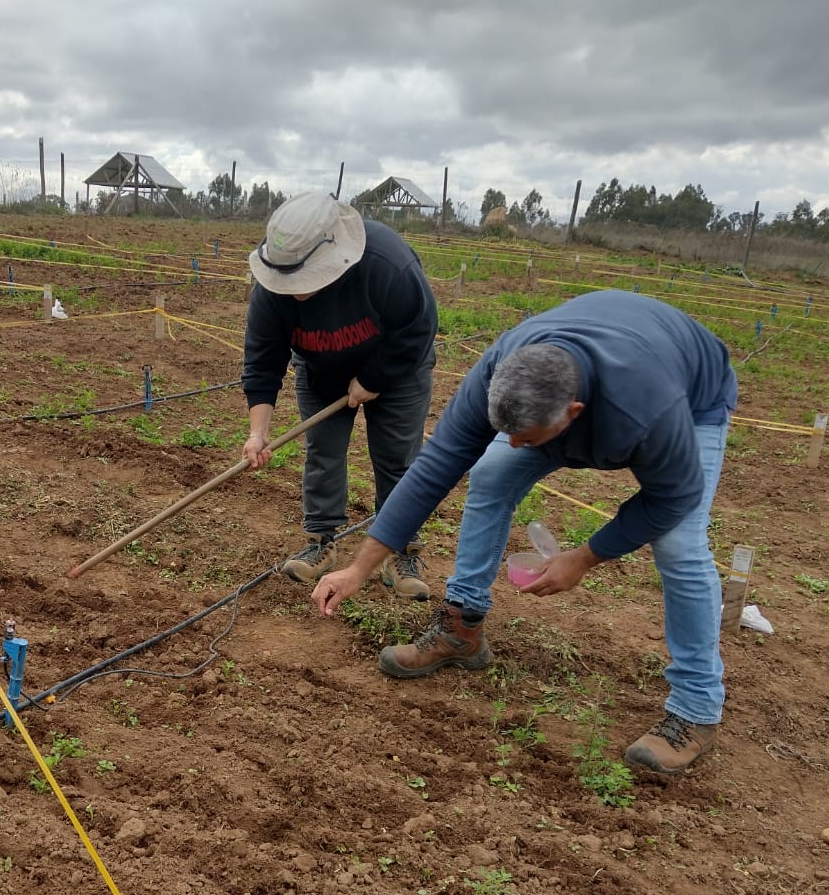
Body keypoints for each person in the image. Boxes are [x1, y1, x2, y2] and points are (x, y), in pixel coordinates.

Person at [311, 289, 737, 774]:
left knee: (680, 544)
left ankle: (696, 709)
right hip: (595, 372)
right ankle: (461, 629)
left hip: (690, 391)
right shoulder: (501, 370)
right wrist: (359, 568)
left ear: (572, 414)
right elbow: (434, 469)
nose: (514, 445)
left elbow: (672, 497)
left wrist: (584, 557)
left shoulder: (647, 409)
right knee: (492, 471)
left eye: (526, 440)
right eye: (506, 432)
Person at [241, 191, 439, 600]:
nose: (293, 290)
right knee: (323, 454)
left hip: (398, 369)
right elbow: (262, 362)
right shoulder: (270, 293)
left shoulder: (387, 264)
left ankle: (401, 550)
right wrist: (258, 433)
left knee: (397, 459)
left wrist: (374, 378)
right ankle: (321, 542)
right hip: (321, 372)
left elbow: (418, 329)